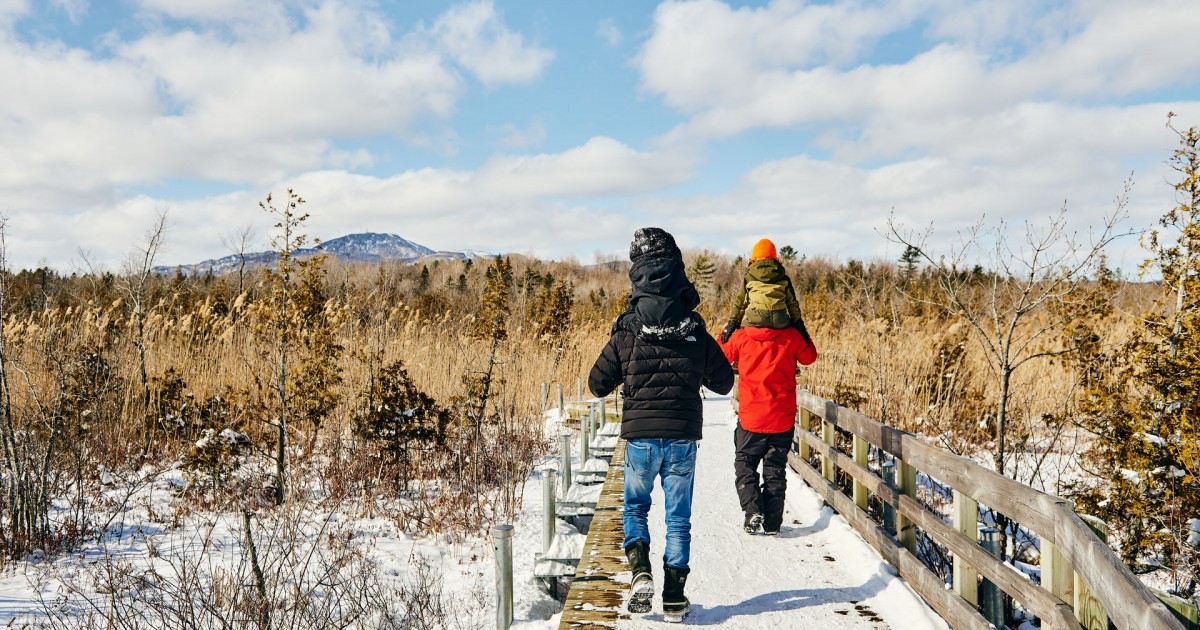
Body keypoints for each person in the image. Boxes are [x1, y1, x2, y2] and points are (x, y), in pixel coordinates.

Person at [589, 227, 734, 622]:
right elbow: (723, 381)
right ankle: (673, 597)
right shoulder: (694, 329)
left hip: (639, 437)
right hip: (683, 437)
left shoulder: (627, 329)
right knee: (677, 517)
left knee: (635, 508)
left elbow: (596, 384)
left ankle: (639, 573)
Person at [719, 315, 817, 535]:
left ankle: (753, 510)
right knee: (775, 469)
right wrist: (801, 329)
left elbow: (721, 356)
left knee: (745, 463)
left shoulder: (742, 336)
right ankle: (773, 523)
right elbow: (810, 357)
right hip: (782, 418)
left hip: (752, 417)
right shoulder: (791, 336)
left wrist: (726, 332)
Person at [720, 238, 813, 347]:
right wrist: (799, 325)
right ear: (775, 257)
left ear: (754, 258)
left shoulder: (749, 277)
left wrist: (732, 324)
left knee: (742, 334)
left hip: (755, 318)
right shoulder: (783, 277)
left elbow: (740, 303)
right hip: (780, 319)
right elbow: (792, 304)